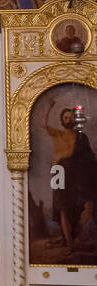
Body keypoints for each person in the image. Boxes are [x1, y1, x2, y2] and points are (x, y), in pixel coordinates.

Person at [44, 100, 97, 251]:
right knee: (63, 208)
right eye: (66, 117)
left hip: (76, 175)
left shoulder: (81, 137)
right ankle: (69, 243)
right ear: (62, 120)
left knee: (84, 206)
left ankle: (72, 236)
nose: (69, 120)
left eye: (71, 117)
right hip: (60, 172)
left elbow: (88, 155)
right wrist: (49, 107)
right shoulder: (58, 133)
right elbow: (45, 125)